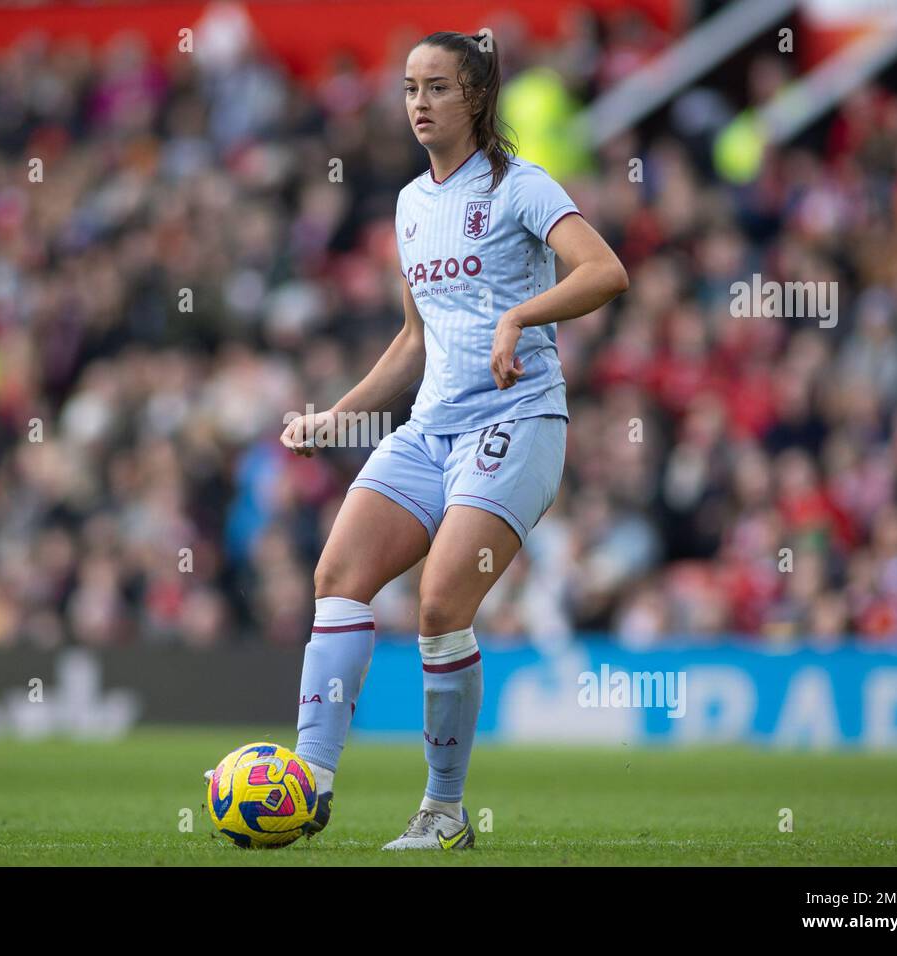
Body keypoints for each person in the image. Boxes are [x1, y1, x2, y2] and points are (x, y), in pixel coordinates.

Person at [284, 30, 628, 850]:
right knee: (337, 574)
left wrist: (520, 314)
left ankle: (443, 812)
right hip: (432, 427)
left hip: (517, 422)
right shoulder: (409, 204)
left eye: (437, 88)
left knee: (441, 602)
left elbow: (605, 271)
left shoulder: (521, 187)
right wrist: (337, 414)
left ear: (474, 99)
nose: (419, 104)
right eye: (409, 88)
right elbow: (414, 340)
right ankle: (306, 784)